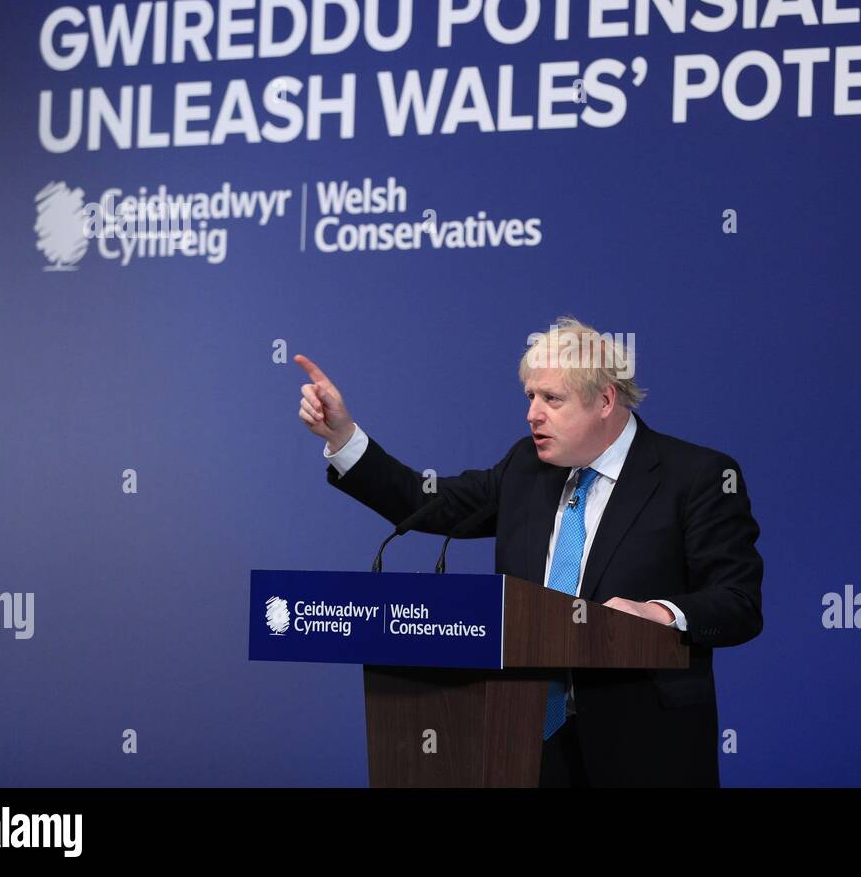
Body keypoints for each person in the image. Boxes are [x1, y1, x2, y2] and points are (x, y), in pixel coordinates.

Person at [295, 316, 763, 787]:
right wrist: (343, 437)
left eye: (551, 399)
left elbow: (738, 601)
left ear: (605, 400)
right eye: (531, 397)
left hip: (645, 748)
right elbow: (425, 503)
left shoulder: (697, 476)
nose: (532, 414)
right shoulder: (526, 467)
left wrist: (661, 614)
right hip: (523, 742)